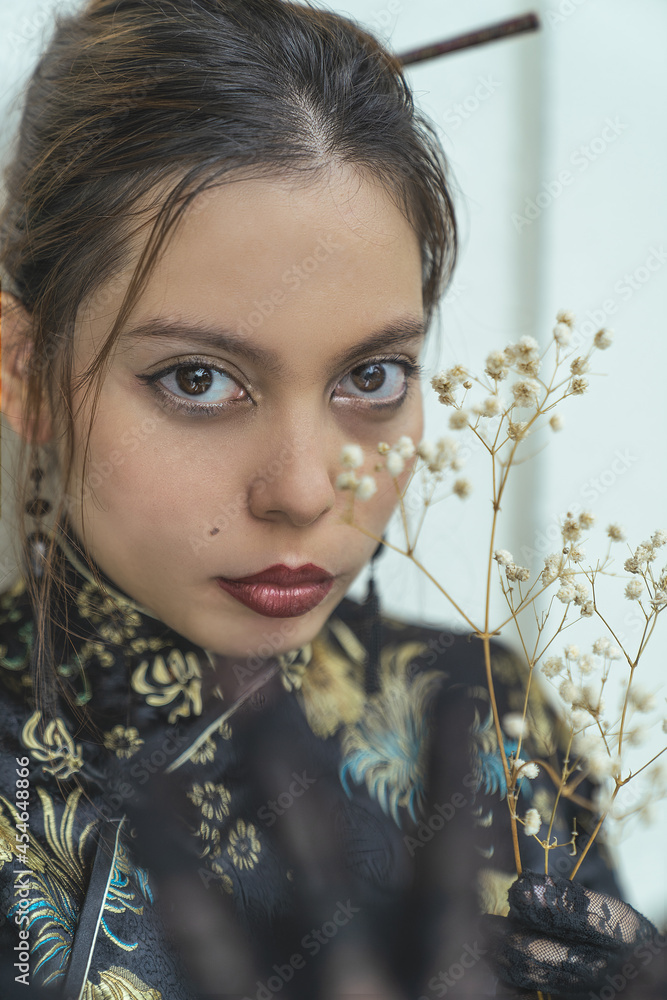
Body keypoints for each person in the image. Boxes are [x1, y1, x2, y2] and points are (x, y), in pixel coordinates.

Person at [0, 1, 664, 998]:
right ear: (24, 370)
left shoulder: (489, 717)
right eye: (197, 379)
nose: (307, 491)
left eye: (371, 376)